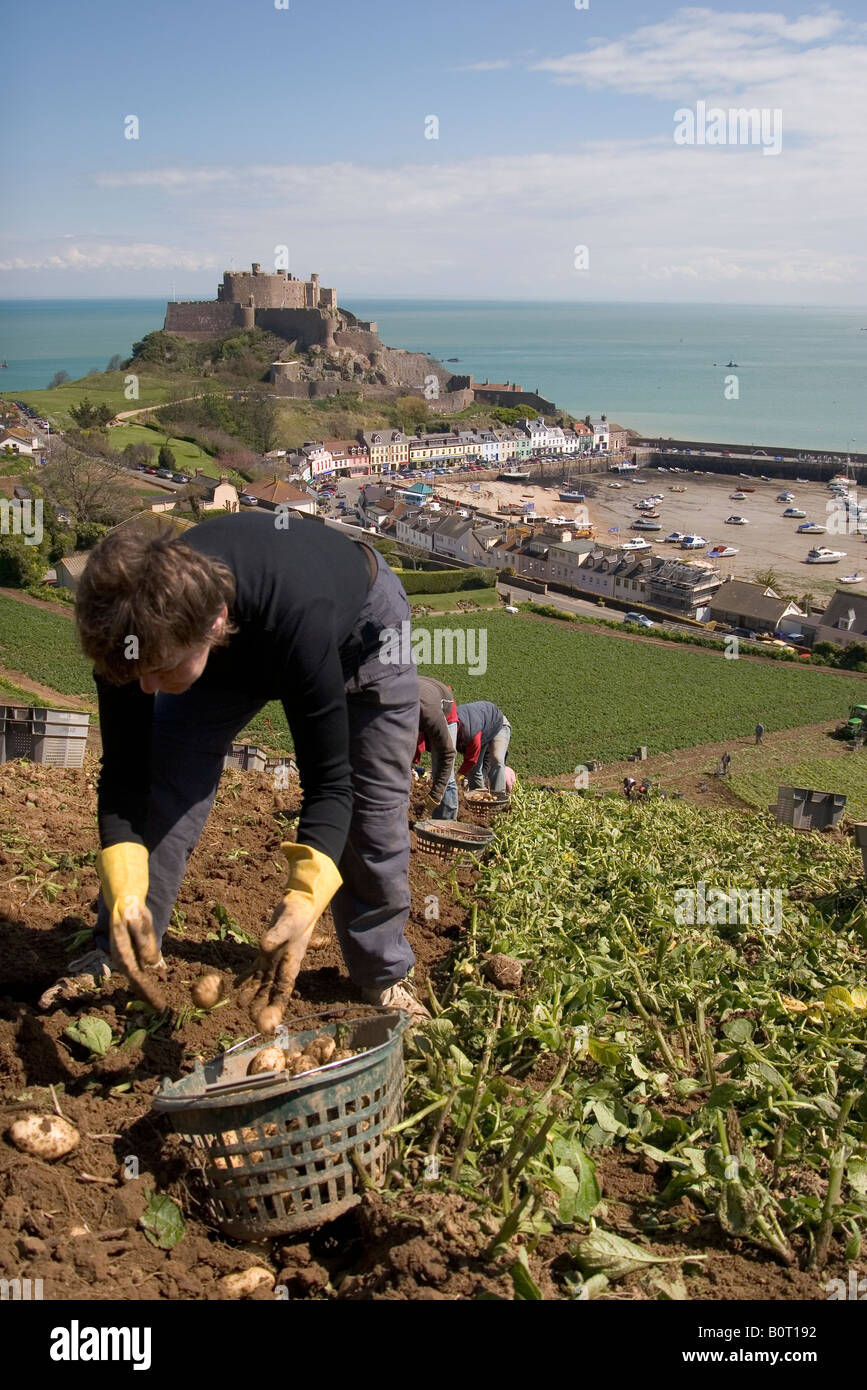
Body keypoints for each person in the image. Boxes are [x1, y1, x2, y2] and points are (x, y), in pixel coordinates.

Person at [39, 511, 430, 1023]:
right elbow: (125, 774)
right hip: (212, 652)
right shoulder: (132, 634)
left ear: (214, 623)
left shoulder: (299, 613)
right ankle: (120, 951)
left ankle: (383, 975)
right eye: (137, 674)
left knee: (374, 811)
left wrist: (304, 894)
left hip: (360, 637)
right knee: (164, 784)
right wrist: (123, 876)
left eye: (156, 671)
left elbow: (332, 782)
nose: (147, 689)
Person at [416, 675, 459, 821]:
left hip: (444, 707)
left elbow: (447, 753)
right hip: (419, 693)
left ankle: (445, 824)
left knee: (444, 774)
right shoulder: (384, 708)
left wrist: (436, 794)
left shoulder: (430, 714)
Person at [456, 701, 511, 795]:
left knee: (497, 759)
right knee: (474, 769)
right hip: (483, 728)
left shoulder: (470, 732)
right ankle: (478, 798)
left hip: (499, 725)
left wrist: (458, 775)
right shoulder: (451, 726)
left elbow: (471, 759)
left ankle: (497, 797)